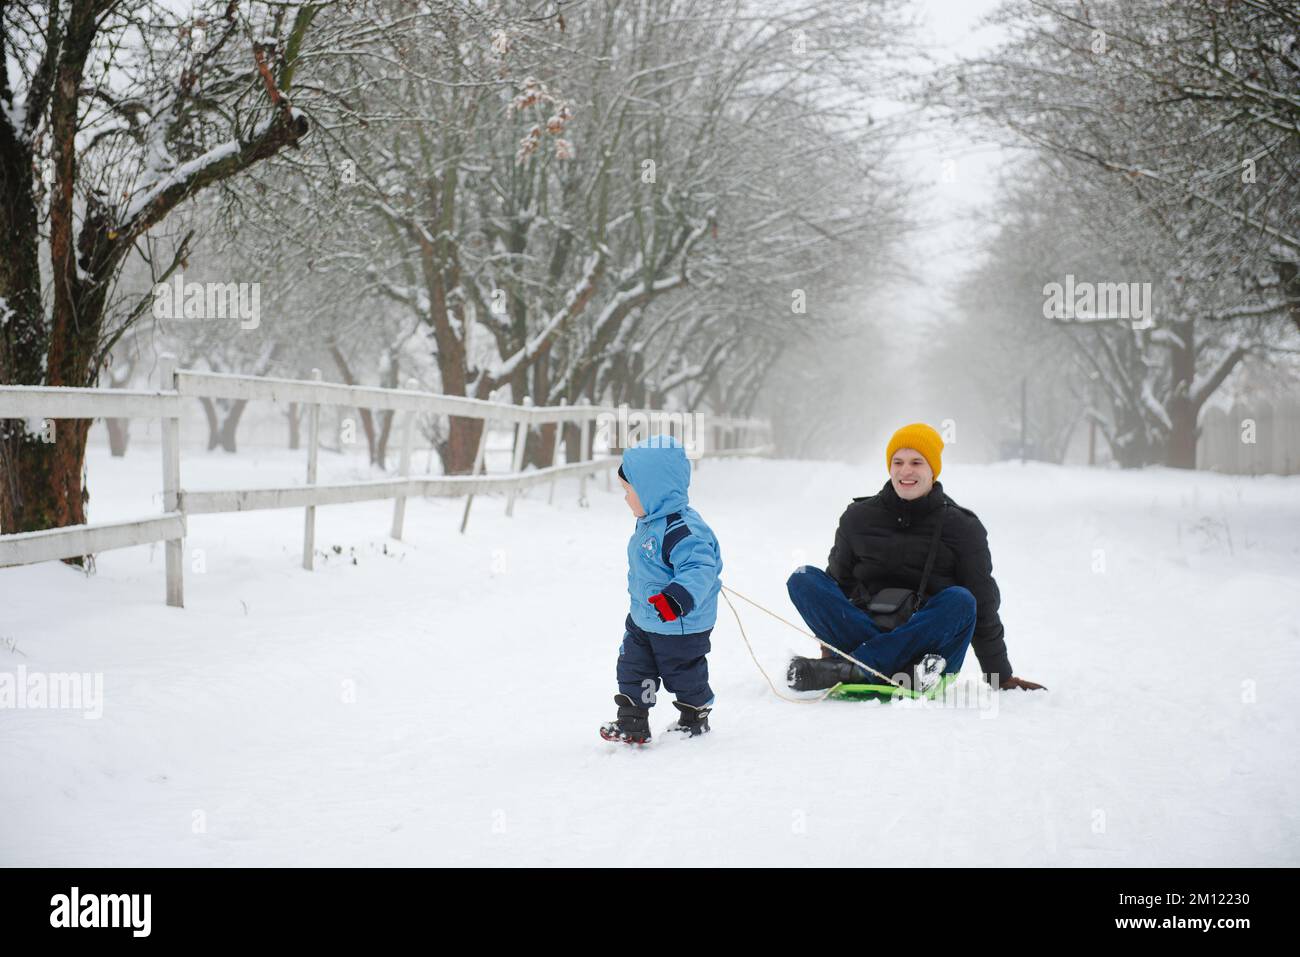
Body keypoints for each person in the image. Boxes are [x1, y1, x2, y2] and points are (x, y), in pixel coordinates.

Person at [785, 423, 1045, 693]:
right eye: (897, 462)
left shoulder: (962, 527)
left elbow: (984, 606)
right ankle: (882, 669)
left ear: (932, 469)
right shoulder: (858, 517)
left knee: (962, 600)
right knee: (804, 579)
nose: (905, 471)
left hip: (929, 647)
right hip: (869, 632)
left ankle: (853, 668)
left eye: (916, 462)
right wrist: (829, 649)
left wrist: (999, 676)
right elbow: (836, 588)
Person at [599, 436, 724, 744]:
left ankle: (694, 715)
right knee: (632, 667)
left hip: (679, 623)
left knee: (683, 674)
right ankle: (633, 721)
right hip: (644, 619)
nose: (626, 498)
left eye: (629, 491)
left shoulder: (682, 529)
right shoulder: (650, 521)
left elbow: (700, 568)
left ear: (652, 491)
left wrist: (676, 598)